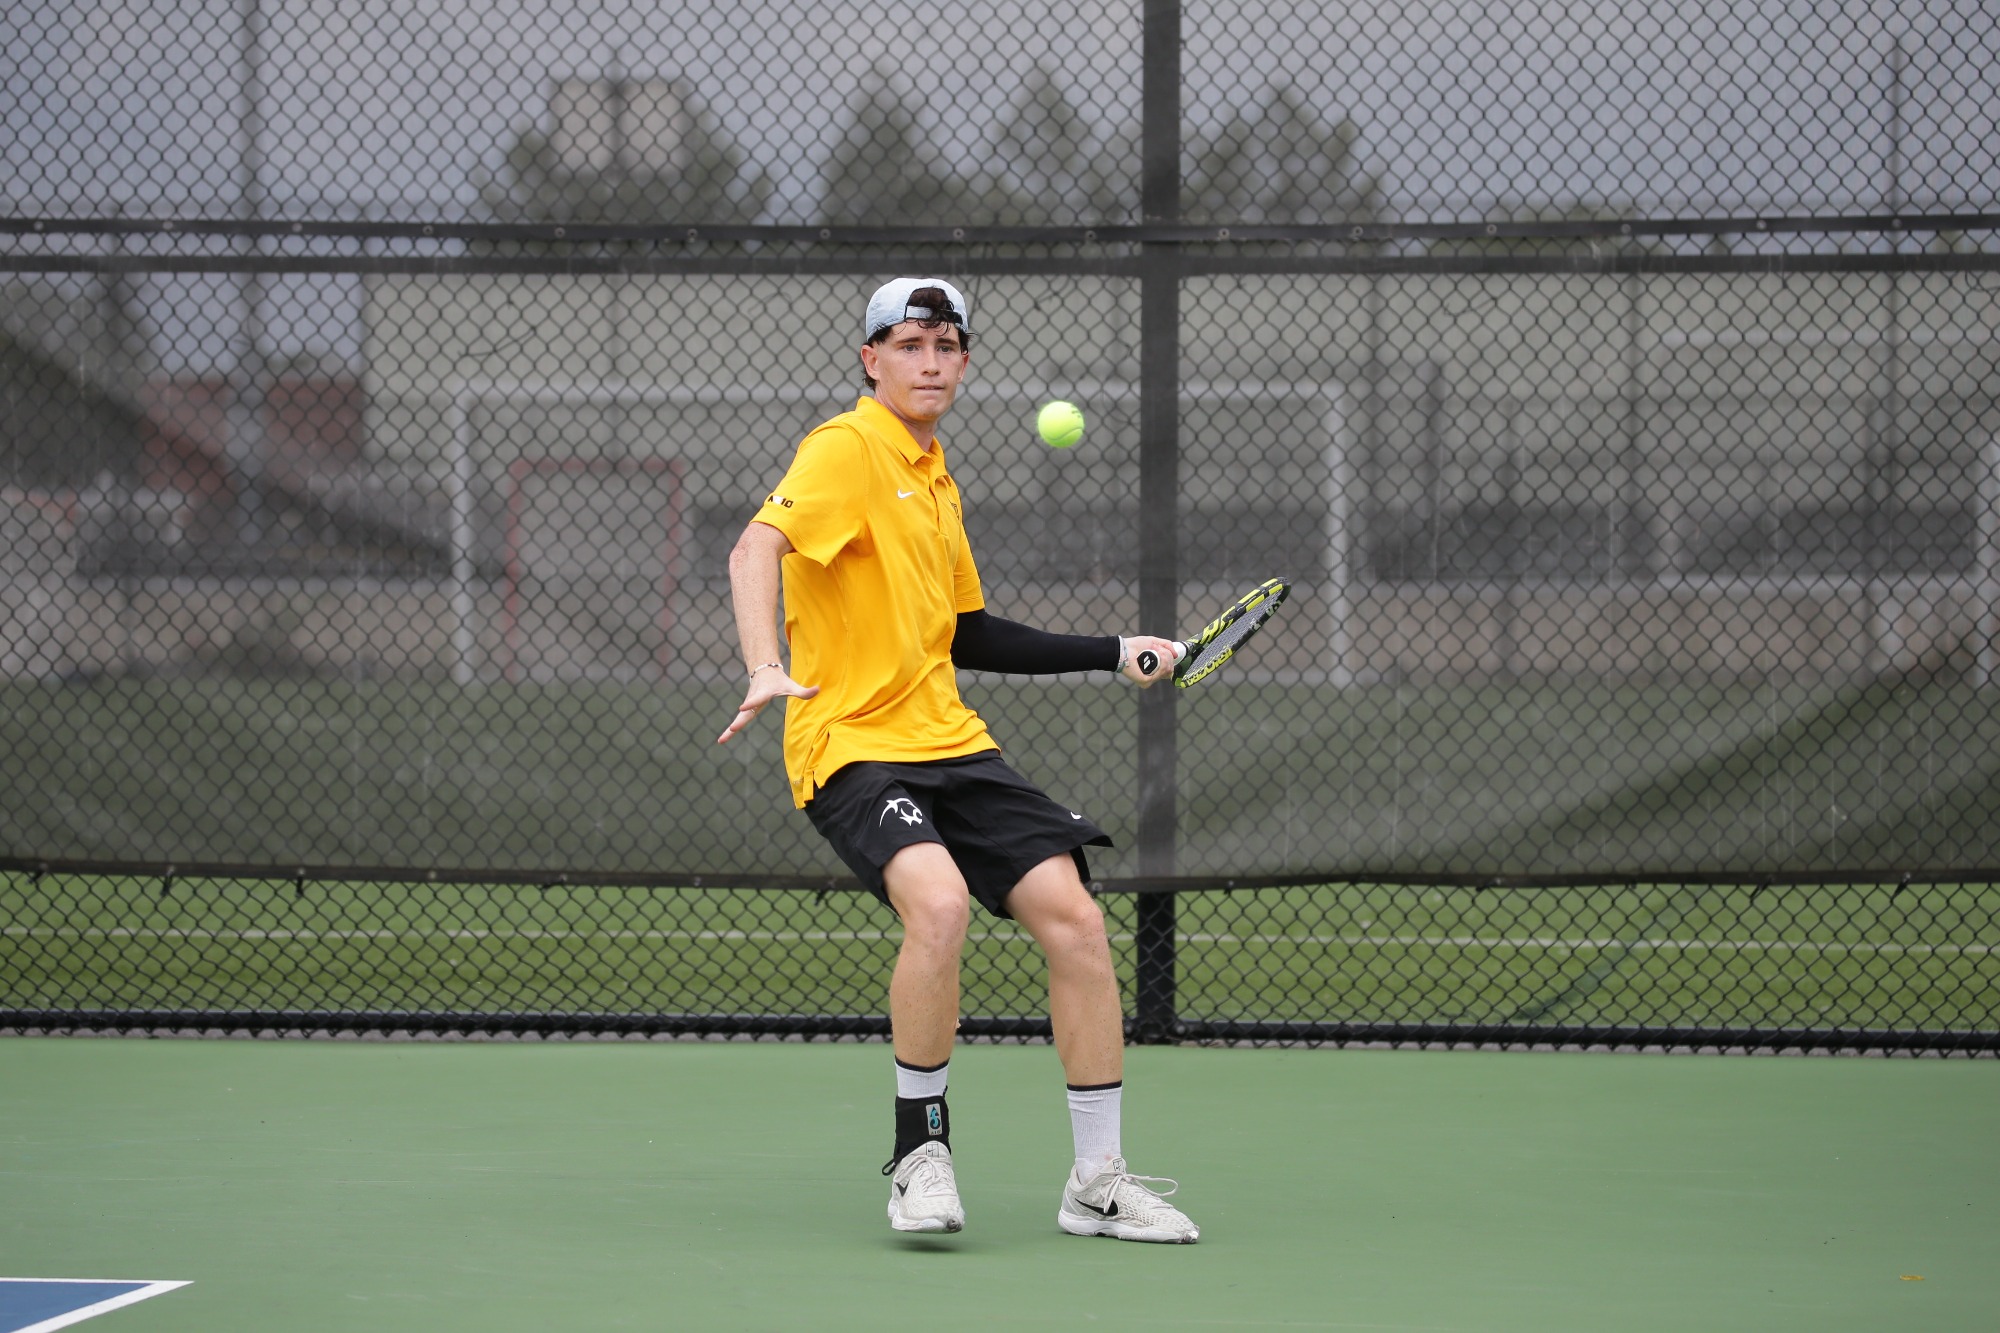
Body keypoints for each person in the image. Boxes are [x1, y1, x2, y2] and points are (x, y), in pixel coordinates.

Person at [716, 277, 1200, 1244]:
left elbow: (968, 630)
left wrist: (1113, 652)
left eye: (946, 345)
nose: (929, 362)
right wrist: (765, 665)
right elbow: (753, 549)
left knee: (1075, 920)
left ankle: (1097, 1182)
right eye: (909, 344)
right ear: (871, 359)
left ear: (965, 361)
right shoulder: (846, 449)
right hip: (850, 743)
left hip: (950, 740)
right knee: (937, 903)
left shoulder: (936, 478)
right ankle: (920, 1155)